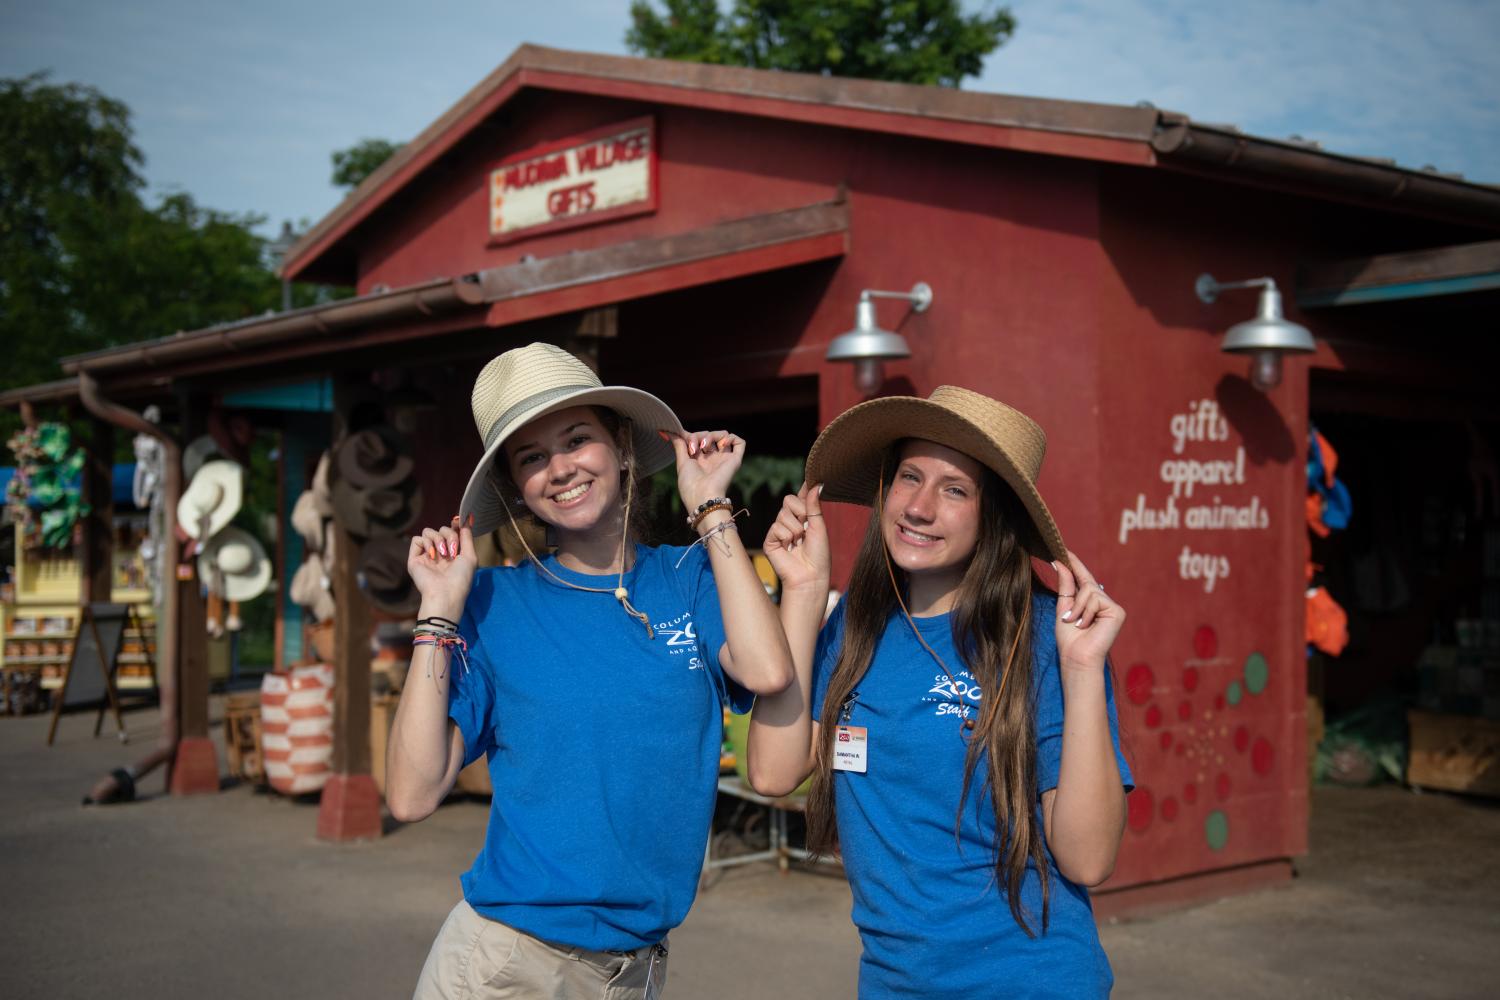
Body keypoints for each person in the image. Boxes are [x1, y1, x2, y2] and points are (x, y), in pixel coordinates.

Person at [387, 343, 793, 999]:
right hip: (506, 969)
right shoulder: (493, 604)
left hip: (634, 974)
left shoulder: (690, 577)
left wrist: (710, 507)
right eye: (531, 457)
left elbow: (767, 668)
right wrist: (438, 612)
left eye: (577, 439)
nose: (560, 468)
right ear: (515, 490)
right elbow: (410, 793)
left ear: (623, 448)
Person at [749, 385, 1133, 999]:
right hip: (894, 983)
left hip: (1031, 980)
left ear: (995, 514)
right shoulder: (855, 626)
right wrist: (803, 589)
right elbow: (771, 772)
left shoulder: (1043, 639)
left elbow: (1088, 861)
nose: (919, 507)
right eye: (909, 477)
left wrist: (1084, 670)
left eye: (955, 489)